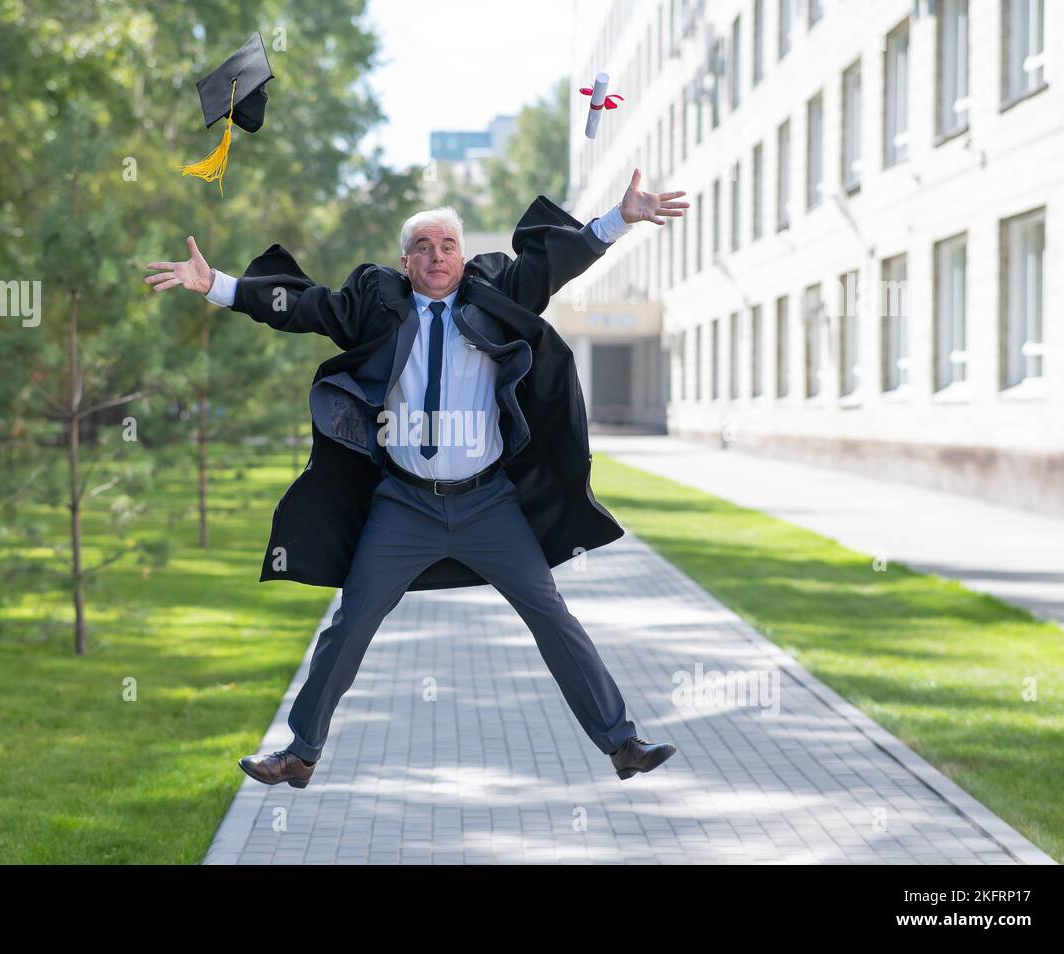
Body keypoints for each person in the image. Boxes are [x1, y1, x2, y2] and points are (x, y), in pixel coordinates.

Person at [145, 169, 689, 788]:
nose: (437, 255)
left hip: (489, 504)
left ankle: (622, 744)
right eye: (423, 247)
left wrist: (619, 219)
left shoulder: (496, 295)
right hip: (405, 506)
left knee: (551, 613)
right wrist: (213, 284)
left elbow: (555, 262)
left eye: (447, 245)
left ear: (461, 256)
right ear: (406, 263)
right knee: (350, 623)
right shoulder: (376, 306)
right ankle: (299, 753)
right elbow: (302, 306)